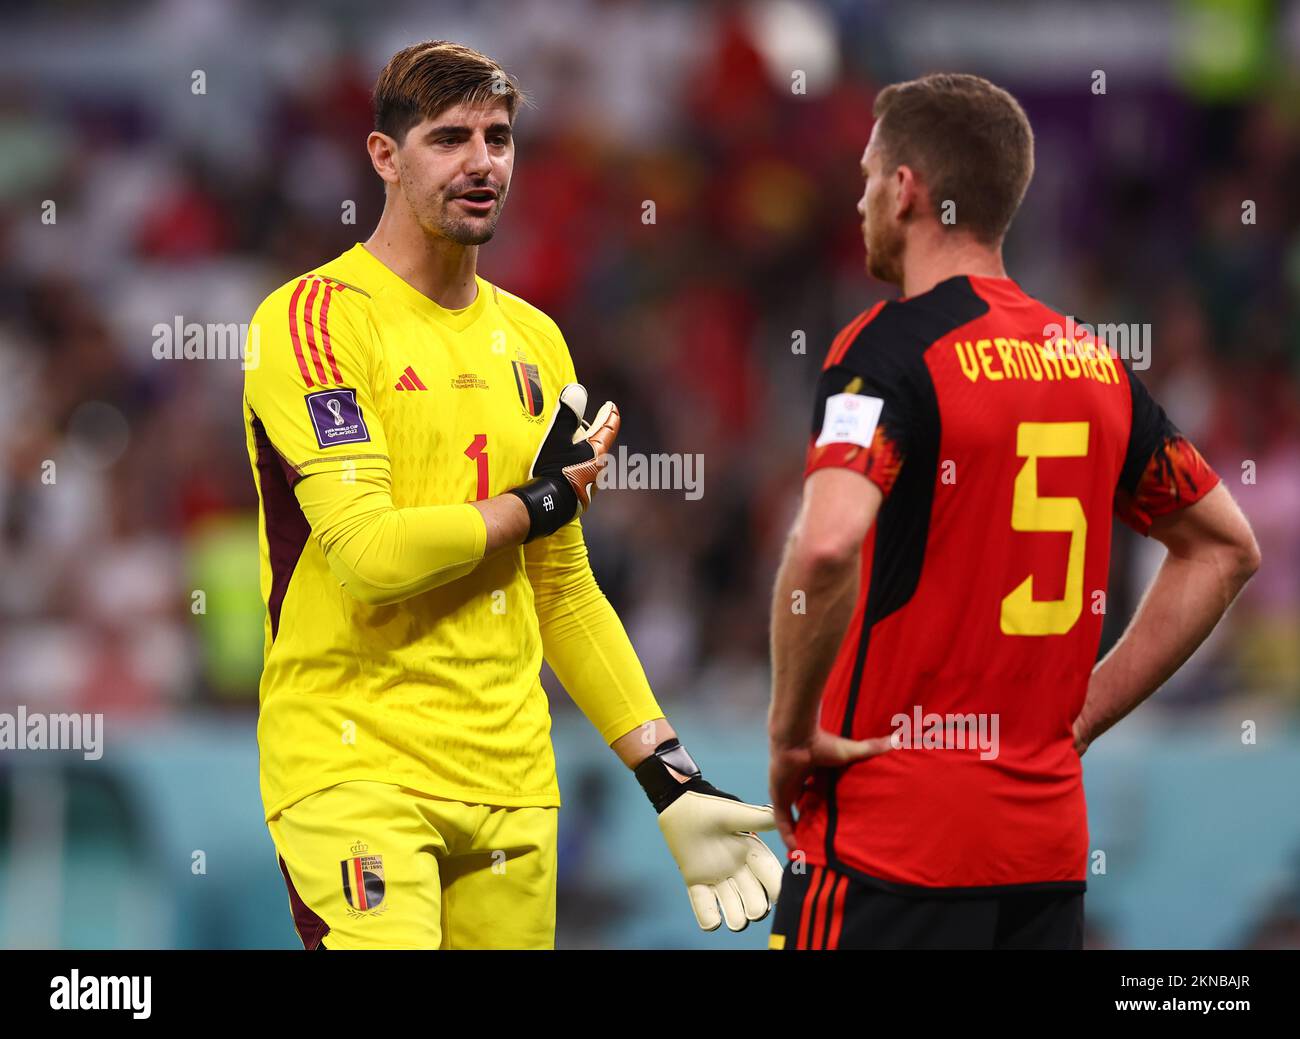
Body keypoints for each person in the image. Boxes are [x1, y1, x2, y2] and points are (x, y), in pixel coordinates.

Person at [242, 40, 781, 949]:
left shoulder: (536, 342)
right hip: (355, 768)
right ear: (384, 156)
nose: (482, 161)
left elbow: (562, 588)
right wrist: (533, 505)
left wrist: (672, 777)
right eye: (449, 138)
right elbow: (371, 557)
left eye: (499, 137)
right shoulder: (314, 321)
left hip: (514, 785)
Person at [766, 73, 1260, 950]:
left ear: (907, 189)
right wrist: (1085, 714)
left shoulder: (887, 346)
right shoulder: (1094, 363)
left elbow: (827, 546)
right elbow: (1224, 549)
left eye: (869, 175)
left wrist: (790, 731)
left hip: (890, 847)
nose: (859, 198)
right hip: (1044, 857)